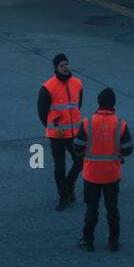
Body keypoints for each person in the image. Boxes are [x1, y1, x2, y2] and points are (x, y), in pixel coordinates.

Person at [74, 88, 133, 252]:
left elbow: (77, 146)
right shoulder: (121, 124)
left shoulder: (88, 123)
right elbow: (128, 149)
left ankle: (88, 240)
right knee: (112, 209)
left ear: (98, 103)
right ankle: (113, 241)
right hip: (112, 175)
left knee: (92, 208)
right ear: (113, 104)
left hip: (91, 174)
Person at [38, 53, 84, 211]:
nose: (65, 67)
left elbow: (78, 105)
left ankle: (69, 183)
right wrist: (52, 126)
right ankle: (63, 196)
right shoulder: (48, 87)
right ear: (56, 68)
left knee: (80, 161)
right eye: (62, 65)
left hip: (75, 133)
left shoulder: (77, 83)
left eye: (67, 64)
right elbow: (42, 112)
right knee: (59, 167)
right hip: (57, 136)